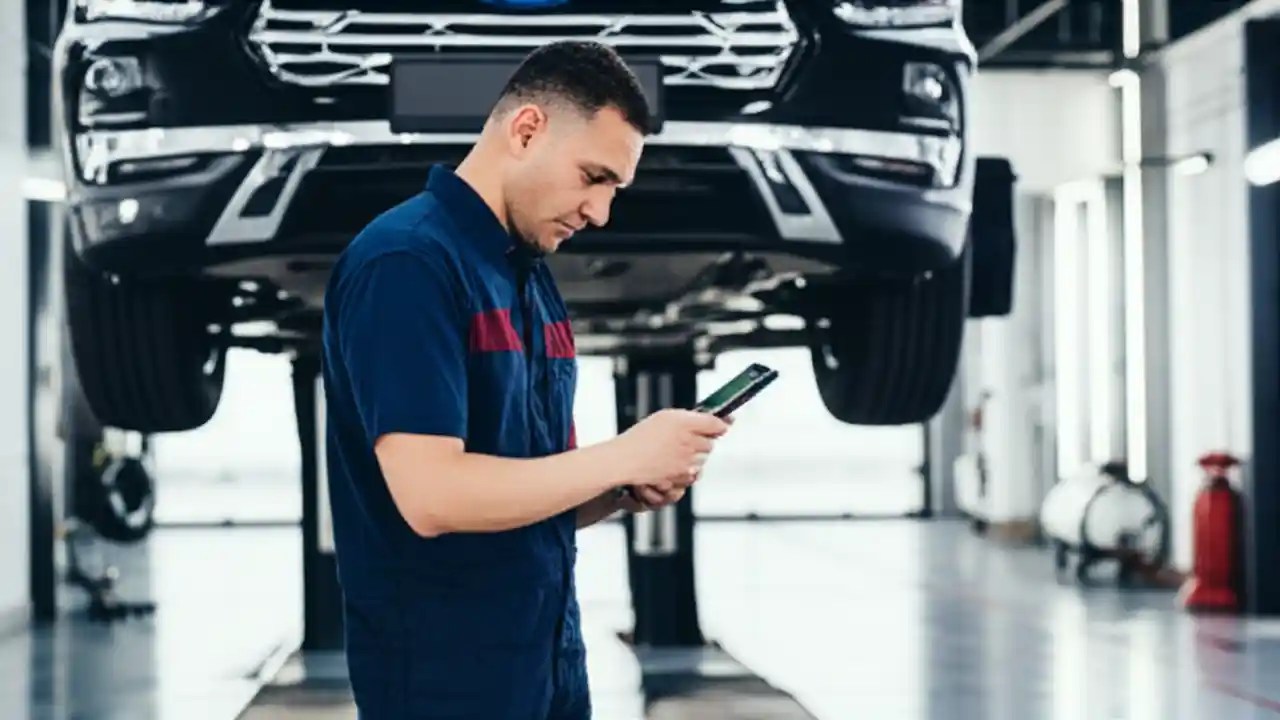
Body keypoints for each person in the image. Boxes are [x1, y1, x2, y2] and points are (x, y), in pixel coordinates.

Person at [319, 40, 731, 719]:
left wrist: (619, 491)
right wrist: (623, 452)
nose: (600, 213)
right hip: (444, 685)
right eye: (592, 177)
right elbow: (433, 495)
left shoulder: (528, 279)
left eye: (613, 190)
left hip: (546, 667)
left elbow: (526, 491)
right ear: (527, 129)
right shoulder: (406, 264)